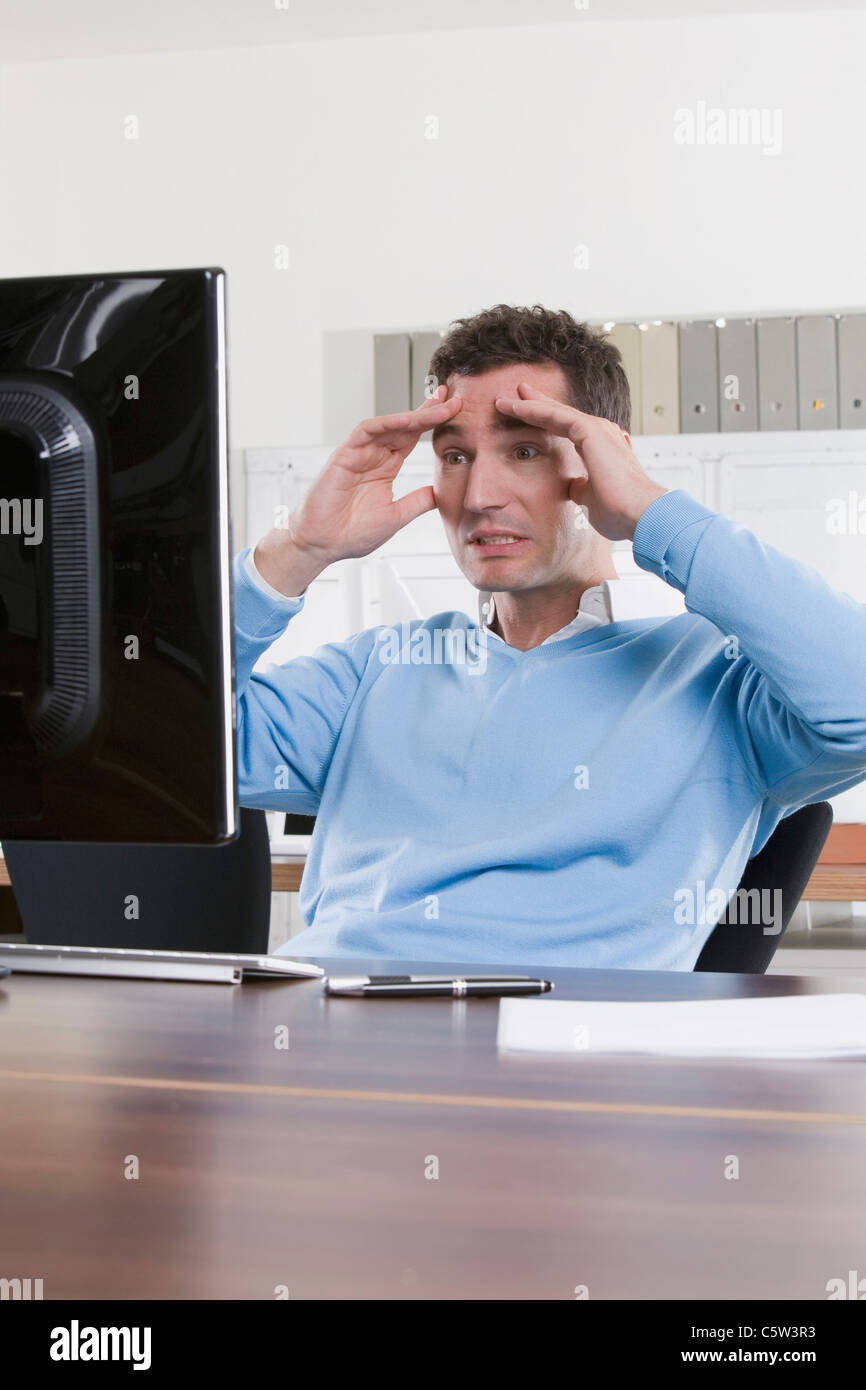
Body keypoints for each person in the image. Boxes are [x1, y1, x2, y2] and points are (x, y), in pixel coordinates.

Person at [232, 304, 866, 968]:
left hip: (557, 1049)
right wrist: (295, 551)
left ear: (600, 462)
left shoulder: (715, 680)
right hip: (329, 1026)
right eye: (454, 456)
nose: (479, 495)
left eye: (525, 450)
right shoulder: (379, 669)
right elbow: (159, 753)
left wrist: (653, 512)